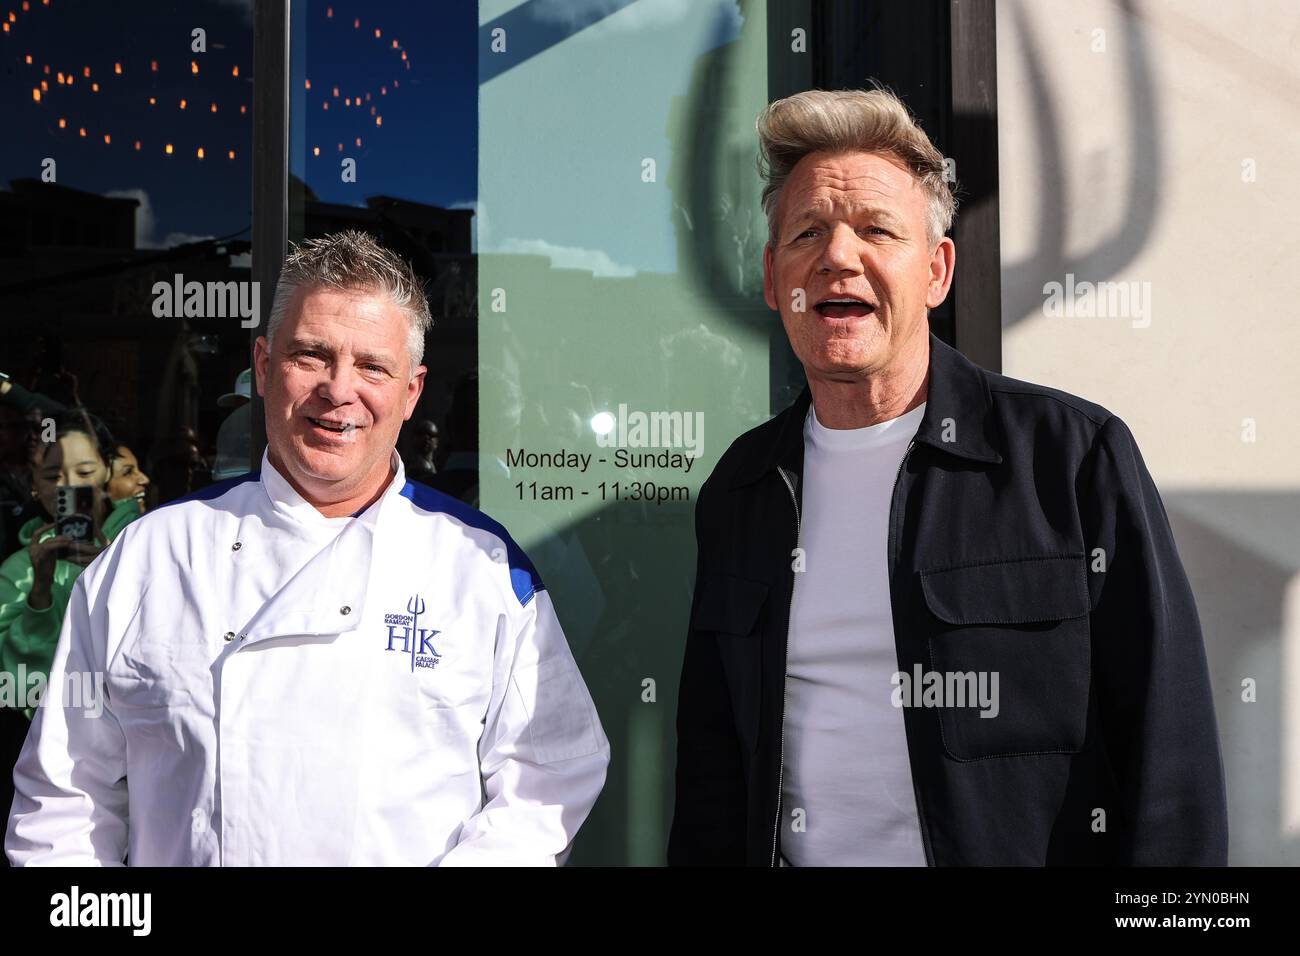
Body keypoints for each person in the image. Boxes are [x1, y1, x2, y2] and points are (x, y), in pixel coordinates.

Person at [668, 88, 1227, 866]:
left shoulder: (1070, 458)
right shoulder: (744, 488)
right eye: (807, 233)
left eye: (876, 230)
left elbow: (1170, 751)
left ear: (936, 271)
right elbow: (712, 766)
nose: (838, 255)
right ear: (774, 279)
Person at [7, 230, 609, 866]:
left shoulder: (481, 568)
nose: (338, 389)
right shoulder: (150, 556)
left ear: (412, 391)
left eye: (373, 366)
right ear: (265, 367)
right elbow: (63, 802)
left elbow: (550, 781)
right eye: (311, 356)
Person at [0, 411, 139, 862]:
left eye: (83, 471)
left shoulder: (145, 550)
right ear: (34, 485)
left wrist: (111, 576)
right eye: (52, 475)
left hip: (138, 752)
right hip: (45, 755)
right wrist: (40, 592)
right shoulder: (17, 571)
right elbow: (15, 683)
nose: (68, 486)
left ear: (107, 474)